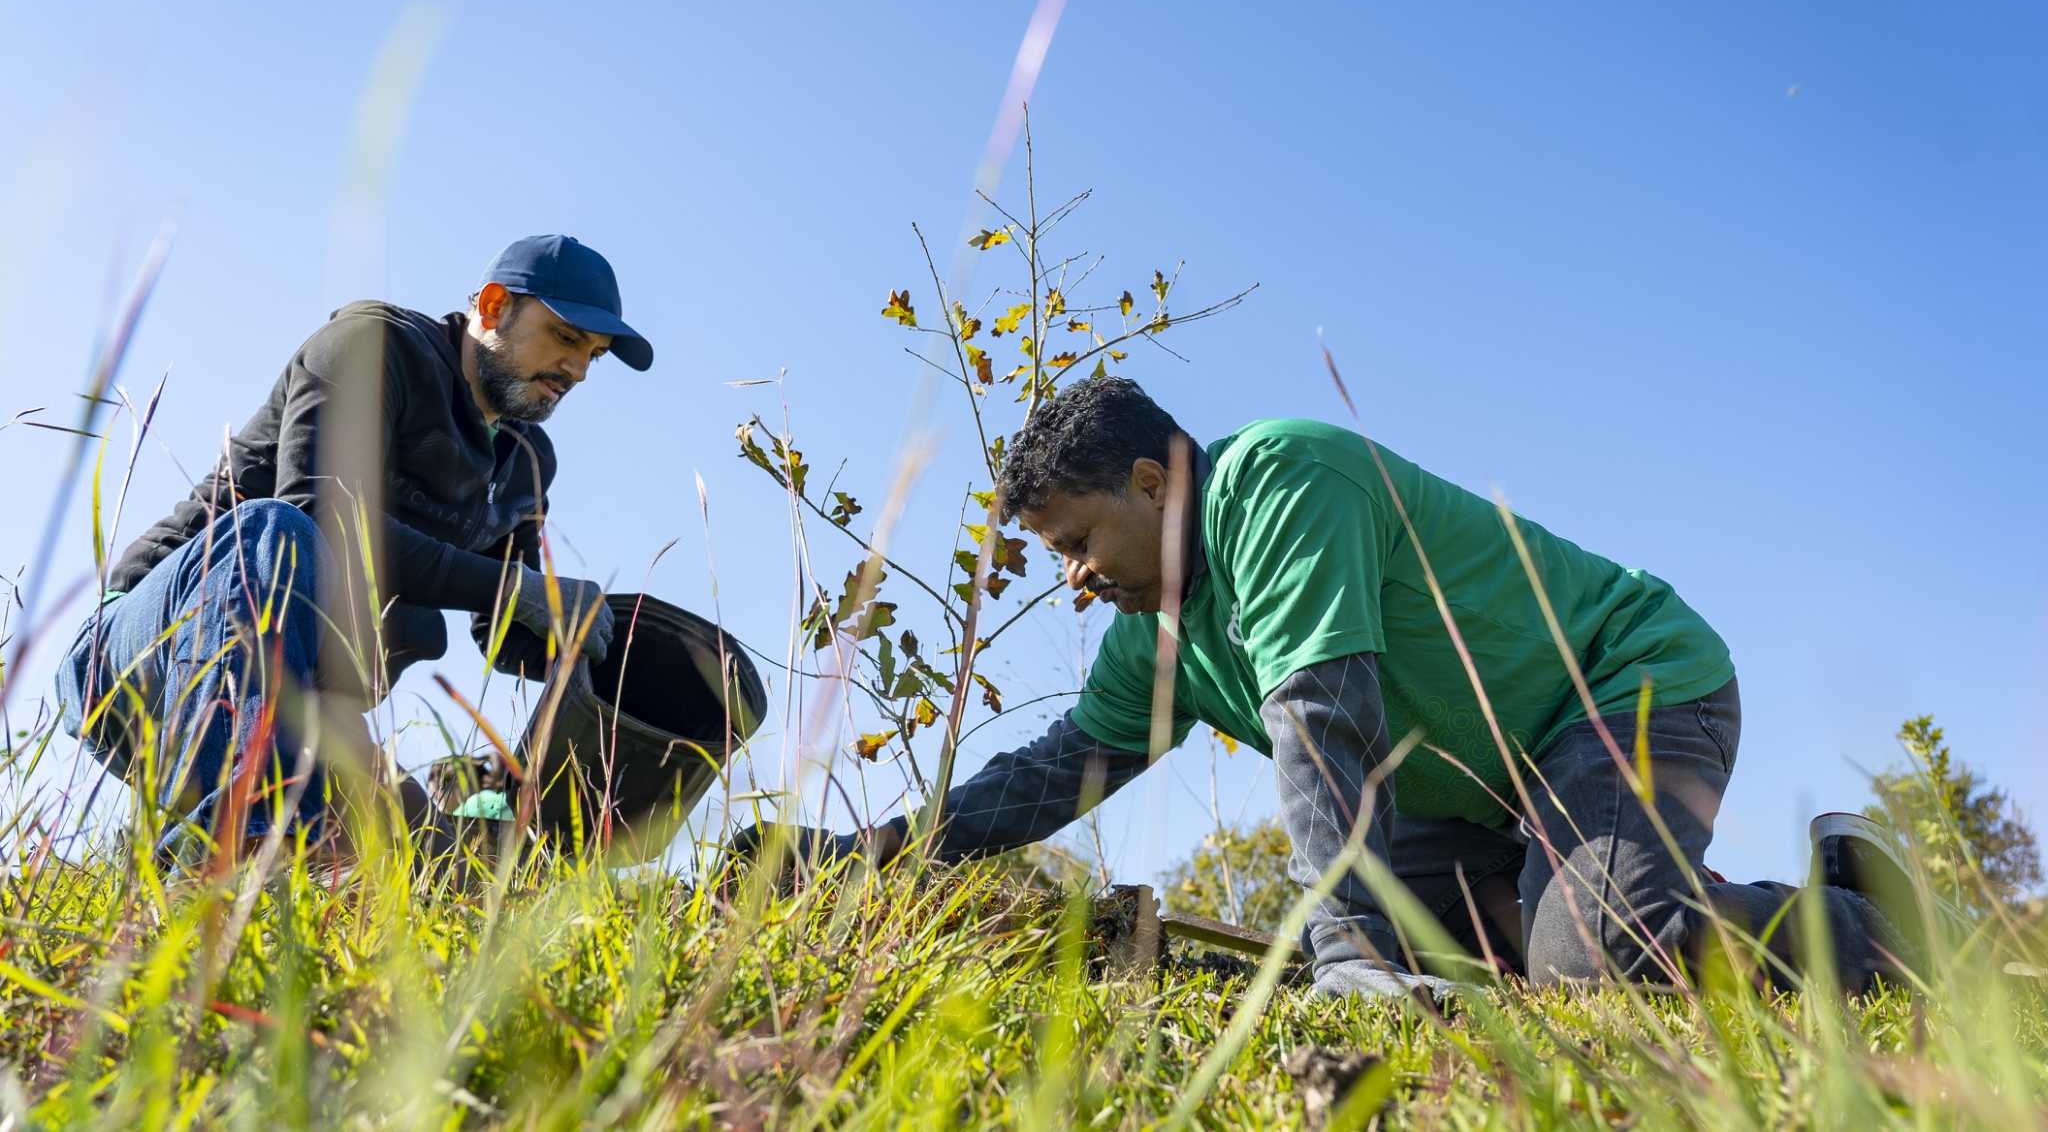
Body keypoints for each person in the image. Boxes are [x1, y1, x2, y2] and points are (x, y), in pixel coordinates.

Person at [766, 376, 1920, 995]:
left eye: (1075, 542)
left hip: (1624, 685)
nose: (1073, 575)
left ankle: (1889, 930)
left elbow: (1321, 717)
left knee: (1591, 957)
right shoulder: (1153, 637)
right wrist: (876, 848)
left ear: (1150, 483)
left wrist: (1347, 950)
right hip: (1487, 788)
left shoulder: (1278, 478)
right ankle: (1709, 887)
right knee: (1447, 963)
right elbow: (1048, 775)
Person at [54, 234, 652, 864]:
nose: (577, 370)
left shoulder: (524, 458)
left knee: (442, 868)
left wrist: (610, 651)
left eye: (593, 355)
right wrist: (513, 588)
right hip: (139, 658)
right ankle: (225, 854)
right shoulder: (374, 347)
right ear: (495, 305)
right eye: (565, 337)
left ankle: (247, 839)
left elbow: (507, 630)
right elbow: (319, 513)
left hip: (304, 708)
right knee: (278, 529)